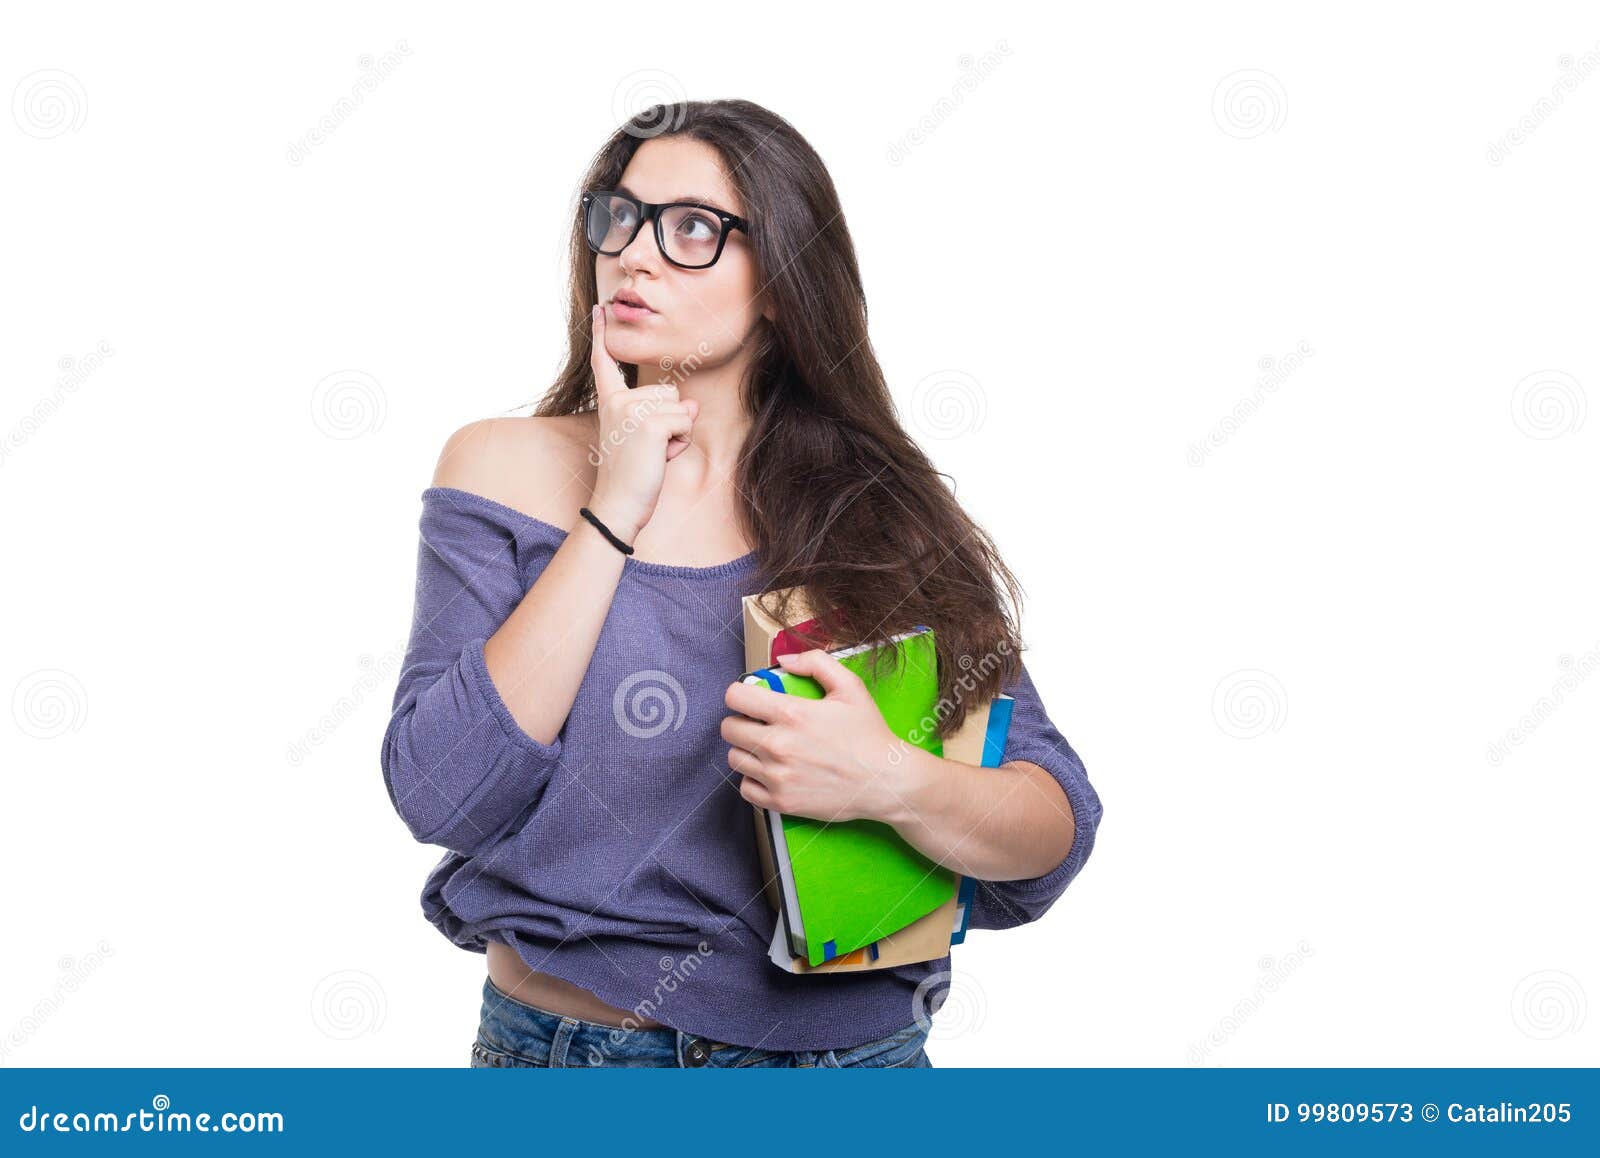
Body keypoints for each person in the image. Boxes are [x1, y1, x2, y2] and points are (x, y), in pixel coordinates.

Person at [380, 98, 1104, 1068]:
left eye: (692, 230)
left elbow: (1049, 829)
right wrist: (612, 511)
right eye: (618, 216)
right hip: (579, 1062)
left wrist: (893, 781)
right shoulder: (502, 469)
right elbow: (443, 795)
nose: (633, 255)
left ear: (780, 283)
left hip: (858, 1070)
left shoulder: (873, 510)